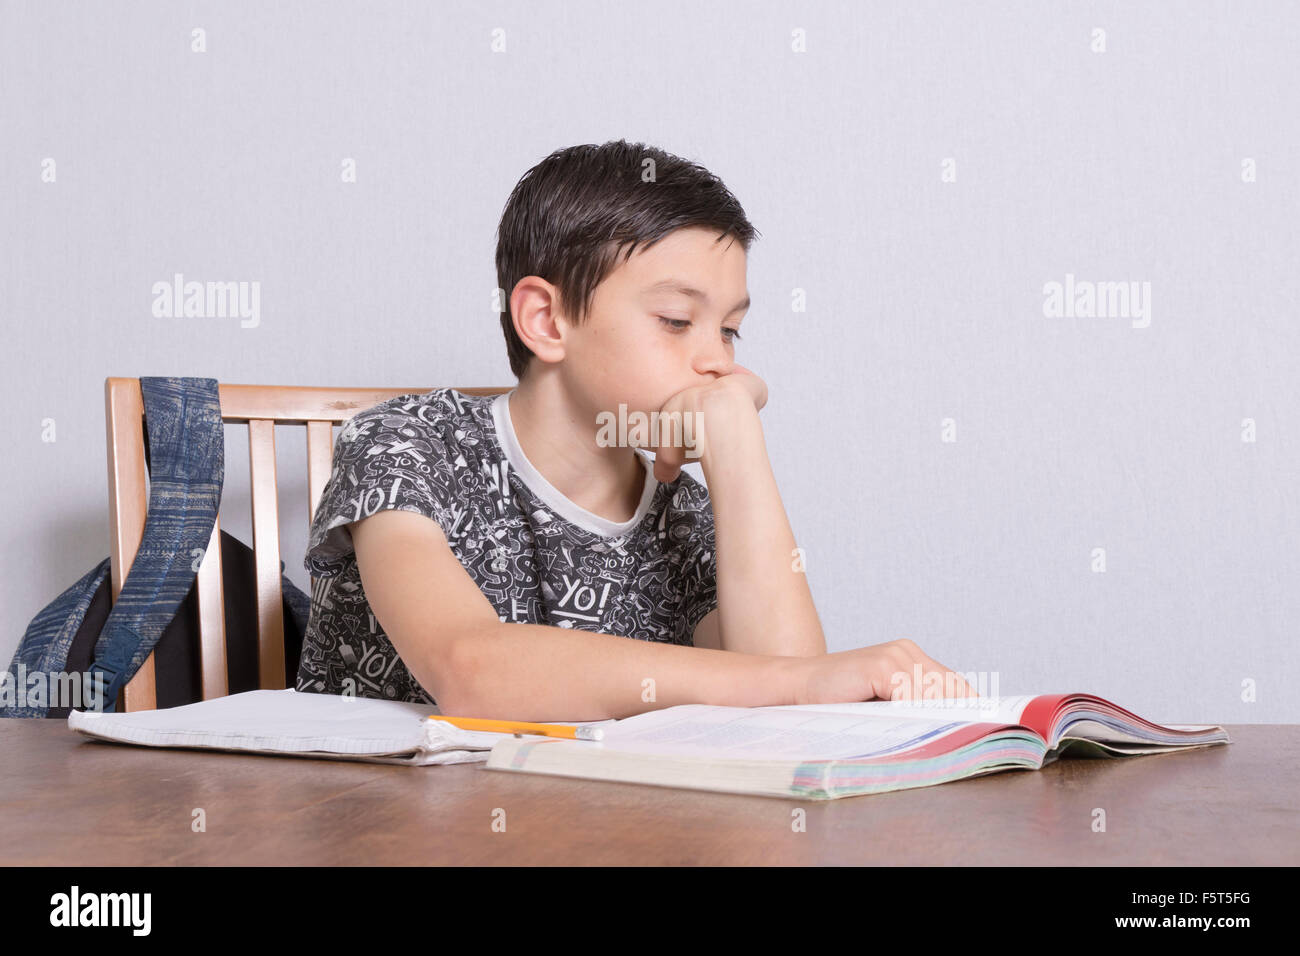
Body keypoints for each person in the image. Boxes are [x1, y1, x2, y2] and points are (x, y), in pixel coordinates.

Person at [296, 139, 977, 720]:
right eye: (678, 320)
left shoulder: (681, 509)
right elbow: (471, 671)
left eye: (731, 329)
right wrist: (802, 685)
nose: (718, 360)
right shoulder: (407, 445)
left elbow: (793, 719)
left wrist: (737, 448)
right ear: (546, 320)